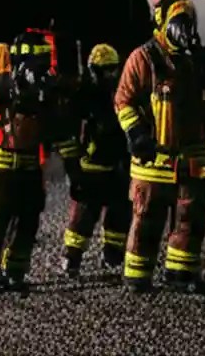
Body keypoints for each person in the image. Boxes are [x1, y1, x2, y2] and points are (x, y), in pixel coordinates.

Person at [0, 33, 80, 294]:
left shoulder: (48, 94)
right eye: (38, 63)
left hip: (29, 169)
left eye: (46, 64)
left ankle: (15, 273)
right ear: (21, 62)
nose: (44, 71)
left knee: (27, 223)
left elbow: (60, 131)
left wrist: (73, 165)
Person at [115, 0, 205, 294]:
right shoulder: (143, 58)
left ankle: (181, 275)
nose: (185, 31)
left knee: (190, 220)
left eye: (188, 24)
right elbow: (123, 101)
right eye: (178, 23)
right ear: (163, 24)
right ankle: (137, 277)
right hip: (154, 160)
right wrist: (136, 134)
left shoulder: (197, 61)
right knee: (147, 220)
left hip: (192, 158)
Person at [60, 43, 131, 278]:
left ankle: (112, 256)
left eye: (113, 69)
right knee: (83, 218)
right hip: (89, 168)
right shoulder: (82, 97)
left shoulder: (120, 94)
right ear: (94, 70)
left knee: (119, 215)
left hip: (116, 166)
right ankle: (72, 258)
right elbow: (68, 135)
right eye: (106, 70)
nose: (111, 75)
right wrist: (72, 171)